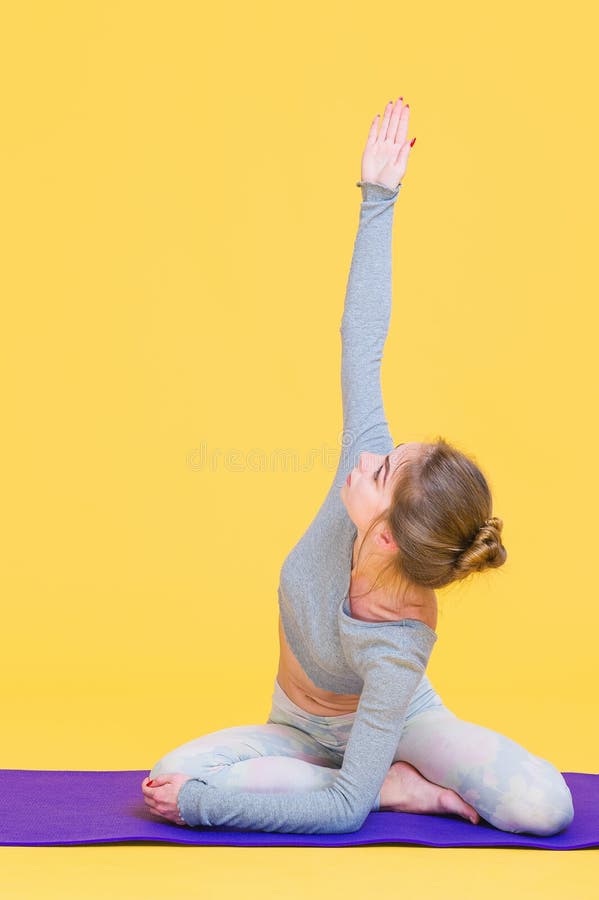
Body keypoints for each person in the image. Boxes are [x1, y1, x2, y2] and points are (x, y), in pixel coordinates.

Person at [141, 97, 574, 835]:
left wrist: (207, 810)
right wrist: (379, 196)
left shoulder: (403, 639)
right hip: (297, 733)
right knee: (174, 773)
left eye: (381, 473)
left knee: (543, 807)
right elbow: (360, 338)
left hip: (397, 726)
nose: (368, 459)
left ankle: (399, 782)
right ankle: (389, 785)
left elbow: (340, 815)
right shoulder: (363, 458)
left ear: (386, 538)